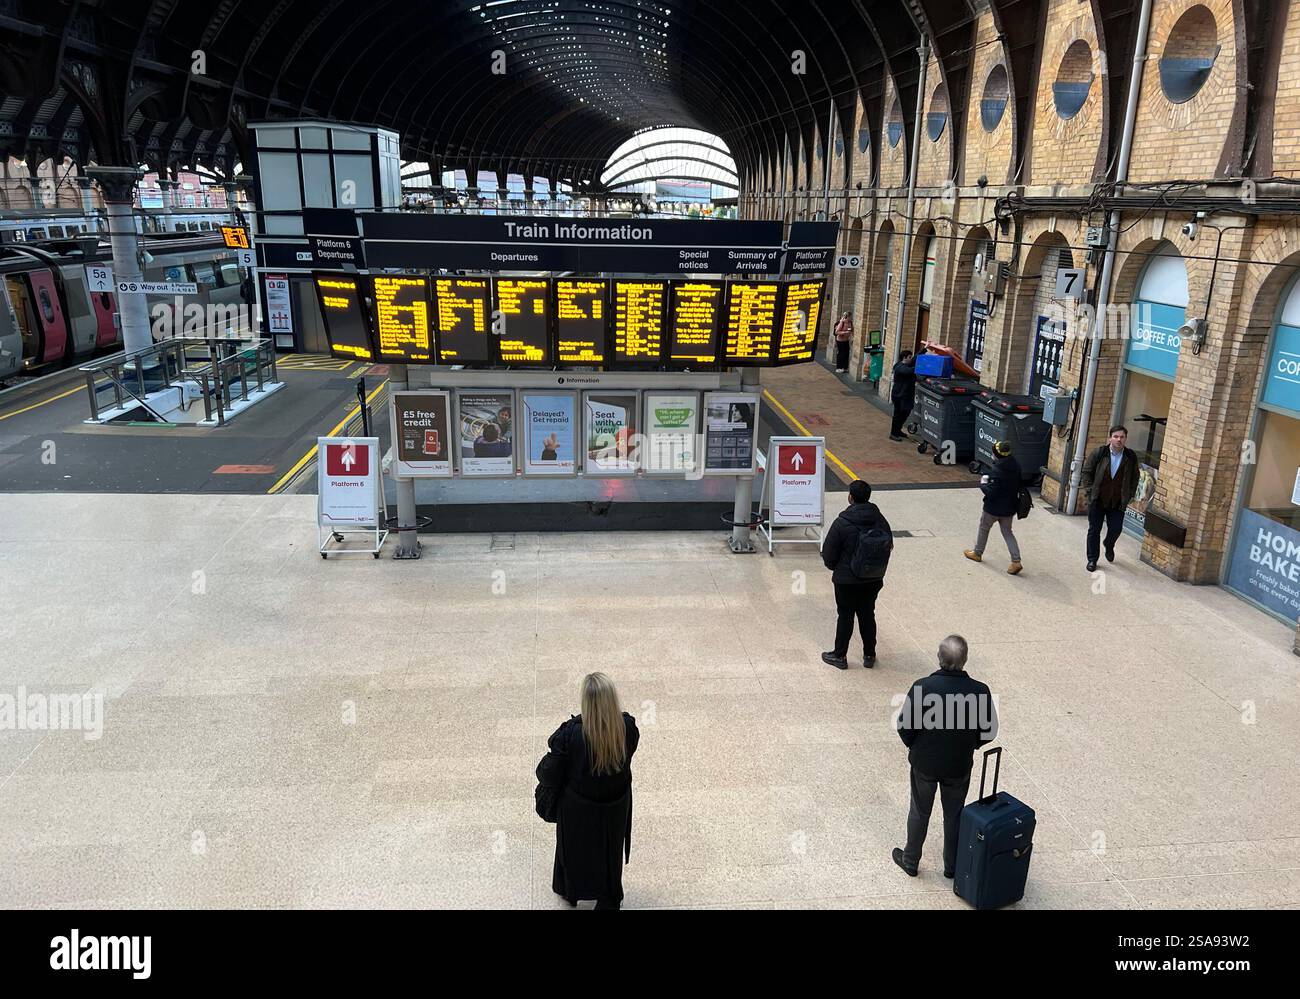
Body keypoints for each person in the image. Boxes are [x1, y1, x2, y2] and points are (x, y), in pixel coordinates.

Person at [892, 635, 998, 879]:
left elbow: (905, 727)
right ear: (965, 660)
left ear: (939, 658)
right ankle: (952, 867)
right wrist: (970, 744)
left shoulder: (923, 687)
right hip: (958, 766)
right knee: (955, 815)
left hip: (925, 764)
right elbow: (989, 731)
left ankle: (910, 860)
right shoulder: (980, 691)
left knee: (919, 811)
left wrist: (915, 746)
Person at [543, 673, 639, 910]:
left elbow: (547, 773)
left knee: (574, 851)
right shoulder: (627, 729)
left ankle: (571, 890)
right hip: (615, 809)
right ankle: (608, 896)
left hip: (577, 811)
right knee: (610, 853)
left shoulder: (571, 735)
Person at [820, 479, 893, 670]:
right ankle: (869, 655)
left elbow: (828, 553)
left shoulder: (842, 523)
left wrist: (835, 567)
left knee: (845, 615)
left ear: (850, 497)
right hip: (873, 578)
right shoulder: (880, 519)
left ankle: (839, 655)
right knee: (867, 614)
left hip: (846, 580)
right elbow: (889, 545)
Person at [1079, 425, 1140, 572]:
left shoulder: (1130, 456)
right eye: (1116, 436)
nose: (1119, 439)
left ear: (1125, 439)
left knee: (1116, 529)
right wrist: (1089, 491)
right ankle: (1092, 559)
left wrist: (1130, 494)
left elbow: (1135, 477)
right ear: (1110, 438)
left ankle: (1109, 544)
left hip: (1117, 501)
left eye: (1122, 437)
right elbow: (1086, 472)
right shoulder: (1100, 453)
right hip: (1098, 499)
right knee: (1094, 530)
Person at [964, 440, 1023, 575]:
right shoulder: (1016, 466)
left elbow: (992, 492)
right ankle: (1016, 561)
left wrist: (983, 483)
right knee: (1008, 532)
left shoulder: (997, 470)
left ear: (997, 455)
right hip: (1009, 507)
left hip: (993, 508)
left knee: (984, 528)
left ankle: (977, 553)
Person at [889, 350, 917, 441]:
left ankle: (898, 430)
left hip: (905, 395)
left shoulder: (906, 364)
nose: (911, 359)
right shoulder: (900, 367)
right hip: (899, 396)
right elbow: (909, 371)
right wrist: (922, 366)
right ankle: (893, 434)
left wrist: (924, 349)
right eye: (909, 357)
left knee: (906, 412)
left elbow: (914, 360)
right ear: (904, 358)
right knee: (898, 415)